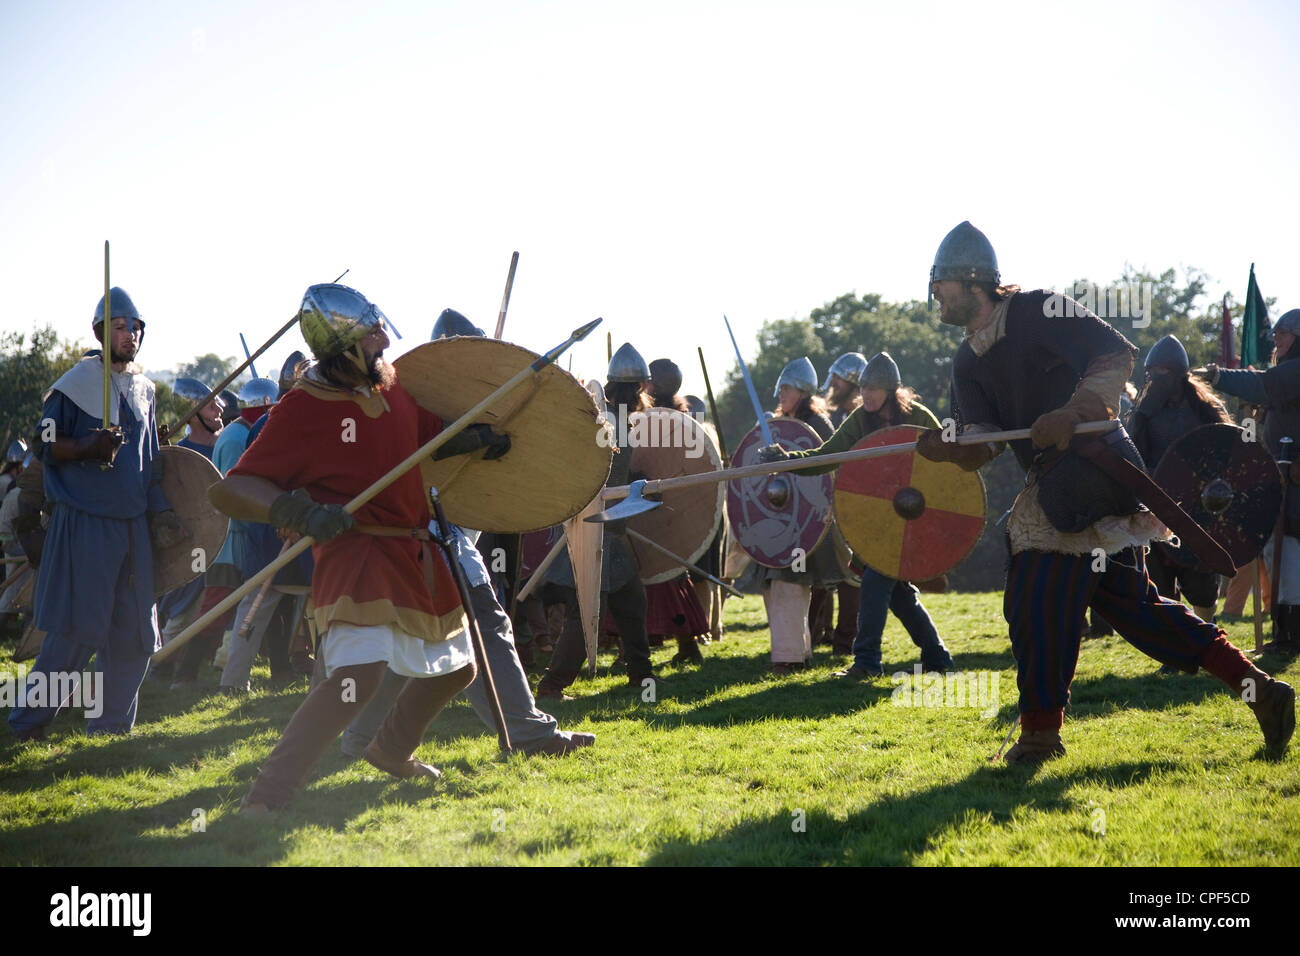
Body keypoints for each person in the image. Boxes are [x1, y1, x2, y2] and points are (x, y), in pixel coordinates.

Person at [915, 220, 1293, 762]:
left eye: (941, 283)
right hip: (1059, 489)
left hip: (1097, 470)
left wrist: (1071, 412)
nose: (934, 295)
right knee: (1141, 611)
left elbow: (1115, 355)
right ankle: (1263, 691)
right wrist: (951, 444)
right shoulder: (966, 360)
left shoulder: (1039, 309)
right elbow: (983, 439)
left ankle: (1040, 736)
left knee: (1035, 597)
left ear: (973, 281)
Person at [210, 283, 504, 811]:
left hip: (416, 551)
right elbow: (232, 487)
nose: (384, 341)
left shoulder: (391, 385)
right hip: (358, 552)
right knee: (356, 679)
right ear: (344, 347)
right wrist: (297, 512)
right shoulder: (302, 408)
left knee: (461, 667)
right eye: (372, 335)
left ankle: (392, 749)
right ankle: (268, 796)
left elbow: (425, 437)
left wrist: (471, 438)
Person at [9, 288, 187, 740]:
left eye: (136, 327)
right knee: (75, 633)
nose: (132, 335)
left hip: (133, 528)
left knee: (135, 633)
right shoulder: (73, 386)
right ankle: (26, 725)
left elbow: (148, 465)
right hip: (85, 522)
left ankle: (109, 730)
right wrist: (88, 446)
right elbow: (45, 441)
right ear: (100, 331)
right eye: (122, 326)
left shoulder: (145, 390)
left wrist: (161, 511)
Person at [766, 351, 955, 678]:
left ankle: (867, 661)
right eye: (863, 388)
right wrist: (787, 460)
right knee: (898, 594)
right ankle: (937, 657)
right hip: (881, 516)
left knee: (875, 581)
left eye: (874, 389)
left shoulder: (919, 417)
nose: (866, 395)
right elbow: (827, 456)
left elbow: (948, 462)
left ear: (891, 391)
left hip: (914, 513)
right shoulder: (859, 420)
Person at [536, 343, 661, 698]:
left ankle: (641, 674)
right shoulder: (611, 422)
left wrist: (640, 487)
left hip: (610, 529)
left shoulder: (610, 418)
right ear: (639, 387)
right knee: (588, 611)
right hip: (597, 528)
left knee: (632, 600)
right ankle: (552, 684)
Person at [1196, 307, 1300, 654]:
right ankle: (1285, 635)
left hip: (1296, 480)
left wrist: (1217, 375)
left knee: (1289, 556)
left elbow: (1261, 385)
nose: (1276, 340)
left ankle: (1290, 637)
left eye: (1282, 335)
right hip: (1286, 480)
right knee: (1281, 554)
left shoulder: (1296, 371)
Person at [740, 357, 842, 675]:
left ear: (802, 391)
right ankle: (797, 652)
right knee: (774, 585)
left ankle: (789, 660)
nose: (781, 394)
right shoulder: (779, 423)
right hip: (779, 518)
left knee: (788, 584)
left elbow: (828, 472)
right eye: (780, 388)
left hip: (809, 521)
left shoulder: (818, 426)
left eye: (787, 388)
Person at [1128, 334, 1232, 622]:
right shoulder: (1144, 410)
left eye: (1161, 371)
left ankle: (1208, 636)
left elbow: (1226, 451)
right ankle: (1175, 646)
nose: (1154, 377)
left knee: (1199, 581)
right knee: (1160, 580)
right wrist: (1140, 417)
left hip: (1198, 506)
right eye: (1151, 372)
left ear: (1176, 372)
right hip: (1156, 507)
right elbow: (1133, 458)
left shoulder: (1204, 409)